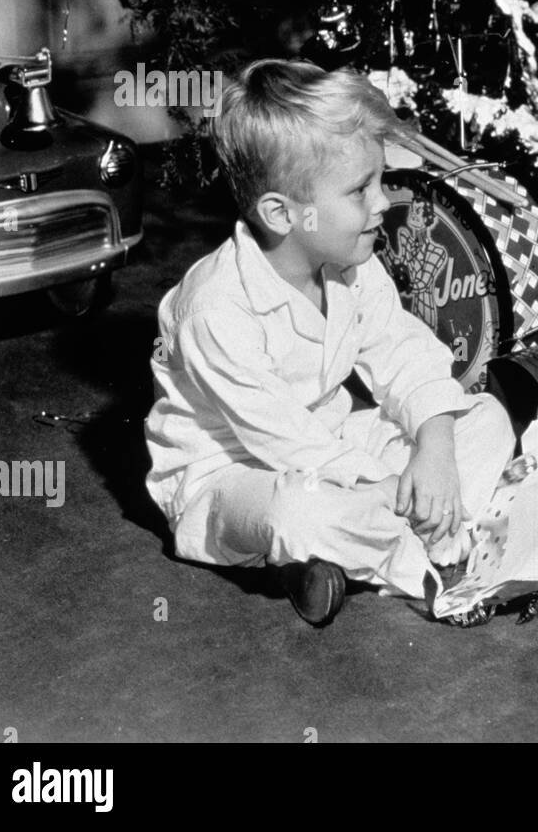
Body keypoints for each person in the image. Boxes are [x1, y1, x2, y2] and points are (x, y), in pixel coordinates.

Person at [145, 60, 513, 626]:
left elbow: (404, 352)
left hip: (334, 437)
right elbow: (285, 443)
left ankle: (349, 555)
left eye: (381, 179)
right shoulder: (214, 309)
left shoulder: (350, 263)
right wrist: (395, 486)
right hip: (233, 475)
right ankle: (425, 553)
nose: (384, 202)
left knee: (484, 417)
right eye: (360, 189)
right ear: (281, 212)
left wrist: (434, 451)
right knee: (298, 510)